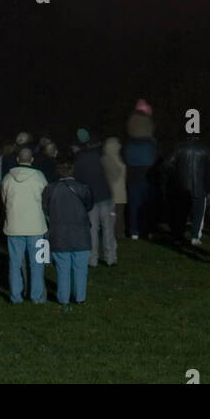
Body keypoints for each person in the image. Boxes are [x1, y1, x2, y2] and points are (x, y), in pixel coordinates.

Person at [43, 157, 93, 308]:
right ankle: (80, 297)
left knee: (62, 268)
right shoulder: (83, 188)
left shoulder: (50, 189)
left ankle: (63, 298)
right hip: (81, 234)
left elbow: (45, 208)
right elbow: (89, 205)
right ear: (72, 170)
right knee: (80, 268)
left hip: (59, 234)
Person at [1, 146, 47, 303]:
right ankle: (37, 296)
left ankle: (16, 296)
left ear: (17, 159)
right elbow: (46, 199)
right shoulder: (39, 177)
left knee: (14, 264)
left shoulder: (7, 178)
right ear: (32, 159)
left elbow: (4, 200)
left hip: (14, 226)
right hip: (36, 226)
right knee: (37, 263)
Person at [73, 130, 116, 267]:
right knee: (108, 228)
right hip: (105, 195)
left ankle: (93, 259)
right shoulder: (102, 157)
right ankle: (110, 258)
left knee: (92, 230)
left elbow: (78, 180)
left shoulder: (80, 160)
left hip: (90, 198)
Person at [123, 100, 158, 239]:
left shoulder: (129, 144)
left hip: (133, 175)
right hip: (147, 175)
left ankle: (134, 231)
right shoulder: (151, 143)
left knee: (134, 205)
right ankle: (147, 230)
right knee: (148, 205)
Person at [102, 138, 127, 240]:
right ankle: (115, 234)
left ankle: (120, 233)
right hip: (112, 190)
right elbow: (113, 174)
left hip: (120, 190)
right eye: (117, 145)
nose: (119, 146)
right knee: (113, 214)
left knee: (119, 213)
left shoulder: (118, 157)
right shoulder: (106, 158)